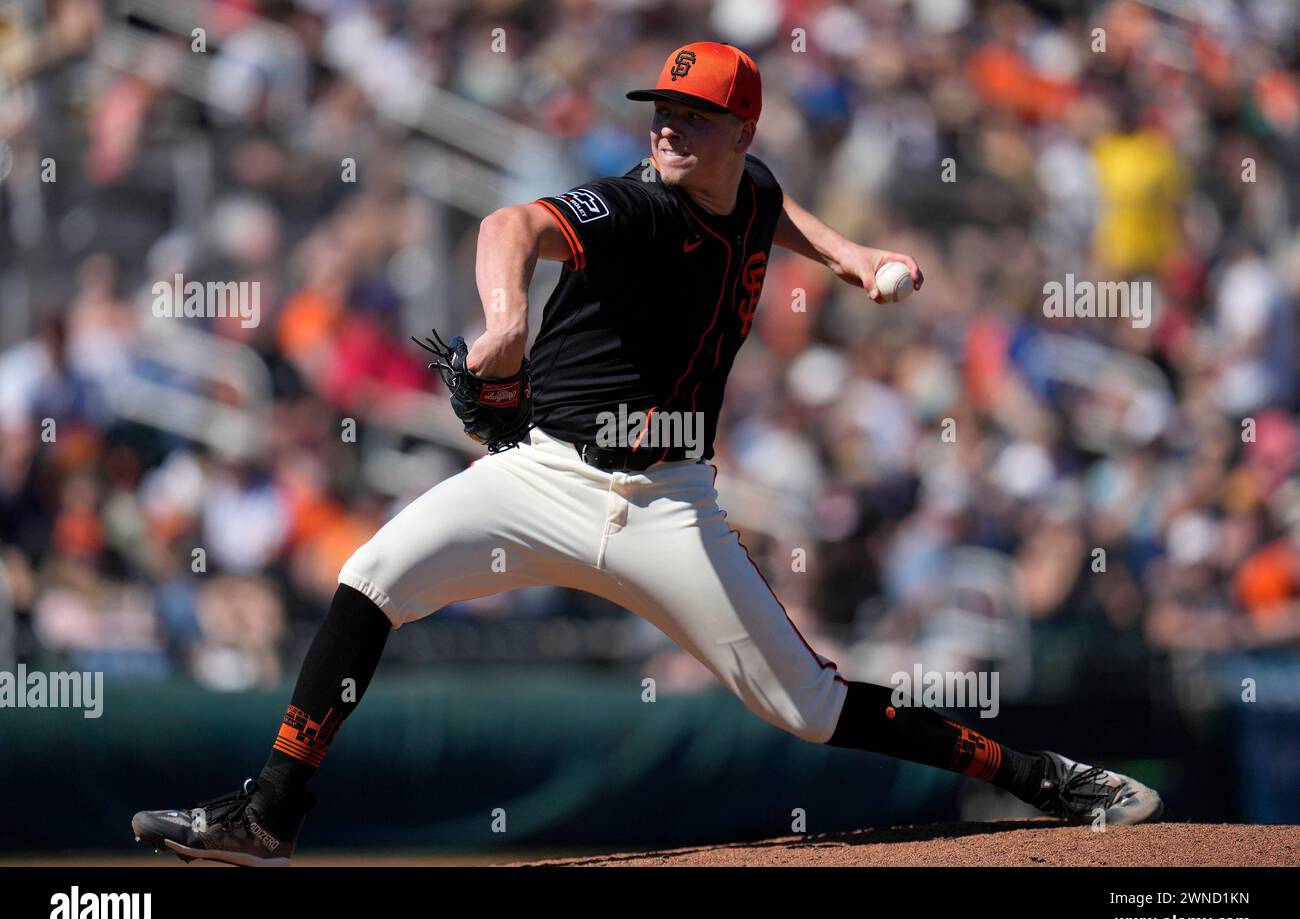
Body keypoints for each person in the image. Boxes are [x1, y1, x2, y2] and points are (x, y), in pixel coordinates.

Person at [132, 42, 1161, 866]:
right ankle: (269, 809)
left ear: (739, 129)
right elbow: (510, 220)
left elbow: (772, 205)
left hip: (667, 506)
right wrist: (501, 324)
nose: (667, 124)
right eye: (660, 109)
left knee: (805, 708)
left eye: (693, 113)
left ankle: (1047, 778)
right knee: (367, 578)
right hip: (540, 475)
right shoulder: (632, 204)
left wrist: (850, 256)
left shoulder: (745, 187)